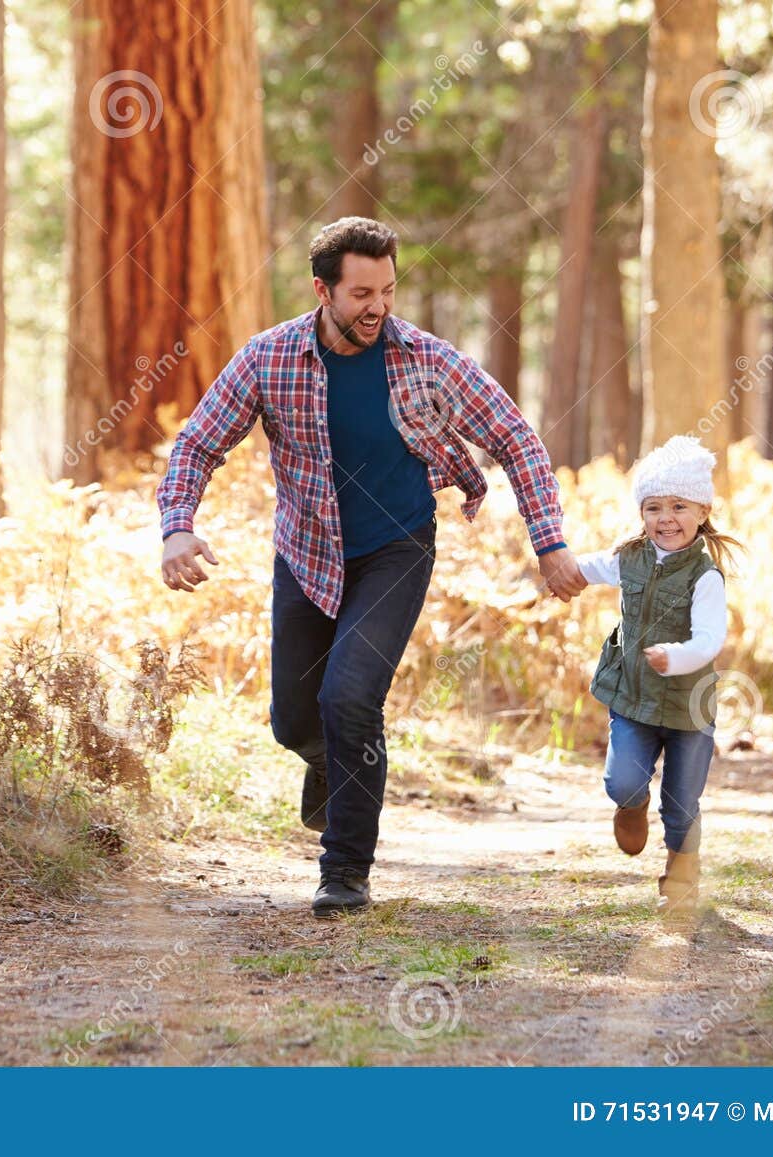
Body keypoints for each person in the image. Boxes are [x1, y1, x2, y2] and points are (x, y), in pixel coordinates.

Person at [157, 216, 585, 918]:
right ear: (322, 289)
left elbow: (515, 437)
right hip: (306, 551)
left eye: (386, 290)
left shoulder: (424, 358)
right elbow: (198, 444)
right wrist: (178, 527)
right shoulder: (269, 358)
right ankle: (332, 763)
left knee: (350, 698)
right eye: (361, 293)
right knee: (296, 720)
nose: (377, 306)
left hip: (396, 548)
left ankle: (345, 872)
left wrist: (550, 542)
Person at [574, 435, 743, 923]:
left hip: (689, 706)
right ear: (641, 512)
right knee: (623, 779)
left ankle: (680, 871)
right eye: (654, 508)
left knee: (683, 800)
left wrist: (678, 656)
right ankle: (630, 805)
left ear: (702, 510)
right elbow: (587, 568)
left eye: (678, 506)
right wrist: (557, 568)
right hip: (633, 697)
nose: (665, 518)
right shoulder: (630, 557)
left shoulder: (705, 576)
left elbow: (710, 639)